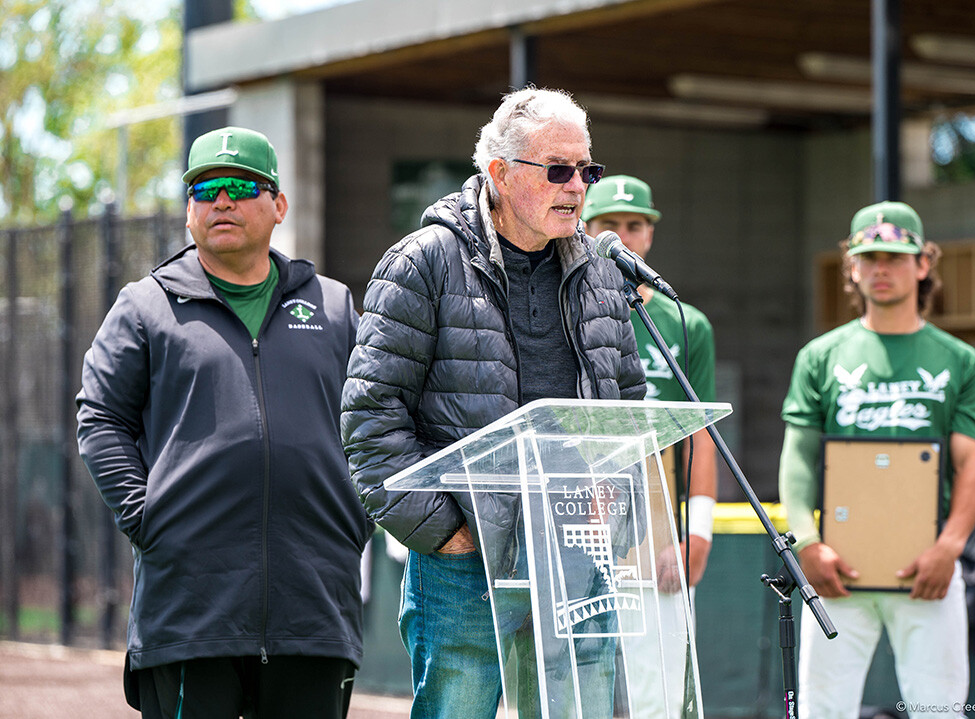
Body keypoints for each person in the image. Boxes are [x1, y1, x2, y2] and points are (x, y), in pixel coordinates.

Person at [340, 88, 646, 719]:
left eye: (586, 170)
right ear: (500, 174)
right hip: (465, 560)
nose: (576, 187)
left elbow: (630, 405)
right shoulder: (424, 263)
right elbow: (371, 418)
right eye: (557, 170)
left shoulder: (601, 273)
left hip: (576, 556)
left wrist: (615, 504)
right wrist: (444, 532)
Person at [76, 126, 372, 719]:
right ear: (189, 210)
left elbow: (373, 422)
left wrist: (352, 521)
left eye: (242, 186)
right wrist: (148, 517)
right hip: (191, 609)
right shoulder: (145, 306)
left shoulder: (336, 307)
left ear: (278, 204)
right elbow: (99, 418)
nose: (222, 201)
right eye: (205, 188)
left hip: (312, 606)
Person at [778, 201, 975, 719]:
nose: (881, 268)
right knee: (823, 711)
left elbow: (972, 464)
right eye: (869, 256)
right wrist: (807, 544)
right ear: (851, 265)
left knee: (939, 711)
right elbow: (799, 459)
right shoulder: (820, 356)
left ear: (922, 264)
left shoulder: (959, 359)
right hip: (838, 569)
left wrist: (951, 547)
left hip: (928, 568)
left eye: (895, 257)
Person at [583, 175, 717, 716]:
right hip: (575, 521)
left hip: (657, 526)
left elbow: (700, 436)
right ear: (584, 230)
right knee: (573, 683)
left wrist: (697, 533)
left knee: (656, 693)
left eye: (634, 225)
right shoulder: (558, 310)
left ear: (651, 235)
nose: (622, 236)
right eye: (608, 225)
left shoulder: (686, 325)